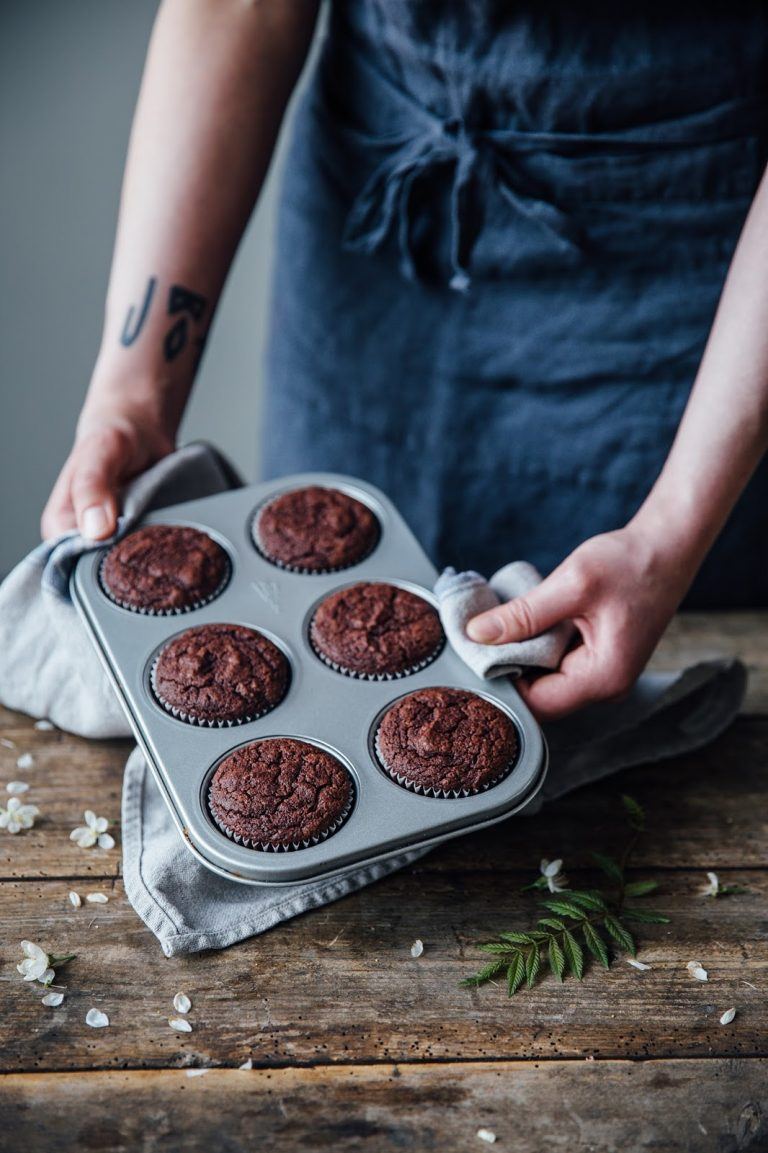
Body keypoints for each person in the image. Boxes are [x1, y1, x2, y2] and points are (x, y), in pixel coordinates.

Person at [41, 1, 768, 719]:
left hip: (693, 262)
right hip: (382, 218)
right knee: (314, 587)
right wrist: (135, 391)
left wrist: (670, 529)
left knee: (657, 697)